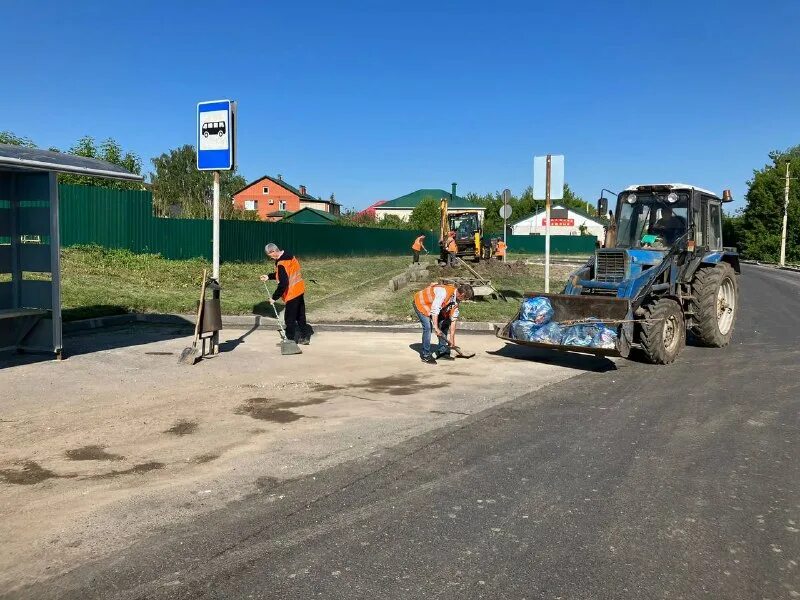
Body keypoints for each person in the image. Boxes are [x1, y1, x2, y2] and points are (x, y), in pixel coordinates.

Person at [259, 243, 312, 345]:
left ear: (273, 252)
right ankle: (305, 337)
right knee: (300, 315)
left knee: (290, 318)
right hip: (299, 289)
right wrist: (269, 276)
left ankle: (289, 340)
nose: (270, 258)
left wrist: (274, 298)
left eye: (269, 256)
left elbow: (284, 283)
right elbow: (283, 275)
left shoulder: (282, 263)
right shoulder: (290, 256)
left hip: (292, 293)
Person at [413, 282, 474, 364]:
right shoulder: (443, 292)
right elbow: (435, 310)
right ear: (462, 294)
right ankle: (426, 355)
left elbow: (453, 319)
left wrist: (452, 339)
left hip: (432, 306)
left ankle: (442, 352)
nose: (465, 300)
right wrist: (436, 328)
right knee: (428, 327)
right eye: (465, 298)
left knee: (444, 324)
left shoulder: (456, 300)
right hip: (421, 303)